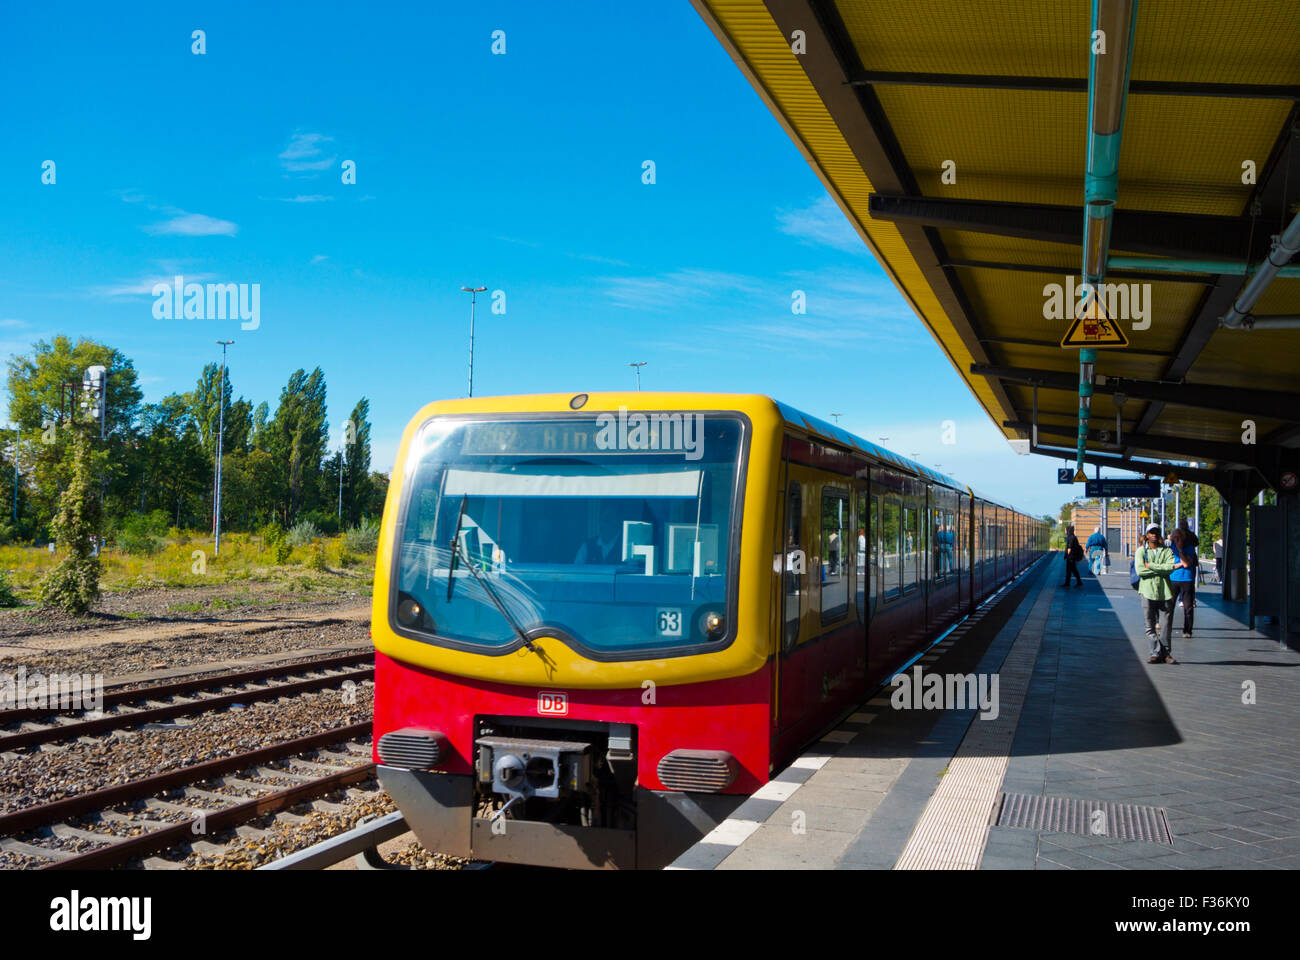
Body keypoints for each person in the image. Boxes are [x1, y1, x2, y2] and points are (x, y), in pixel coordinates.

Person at [1136, 523, 1180, 664]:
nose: (1154, 534)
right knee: (1149, 625)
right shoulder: (1141, 551)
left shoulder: (1166, 551)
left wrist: (1152, 566)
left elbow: (1170, 568)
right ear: (1147, 535)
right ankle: (1156, 652)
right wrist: (1160, 569)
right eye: (1151, 532)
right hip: (1147, 591)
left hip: (1164, 591)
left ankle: (1165, 653)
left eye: (1156, 532)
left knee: (1166, 624)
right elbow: (1140, 571)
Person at [1169, 527, 1196, 638]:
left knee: (1188, 607)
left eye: (1178, 537)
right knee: (1169, 605)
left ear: (1183, 538)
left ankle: (1187, 630)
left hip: (1186, 579)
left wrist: (1180, 550)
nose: (1176, 540)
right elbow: (1169, 565)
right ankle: (1168, 627)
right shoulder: (1170, 549)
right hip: (1173, 579)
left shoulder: (1190, 549)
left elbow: (1186, 564)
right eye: (1174, 537)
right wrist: (1180, 563)